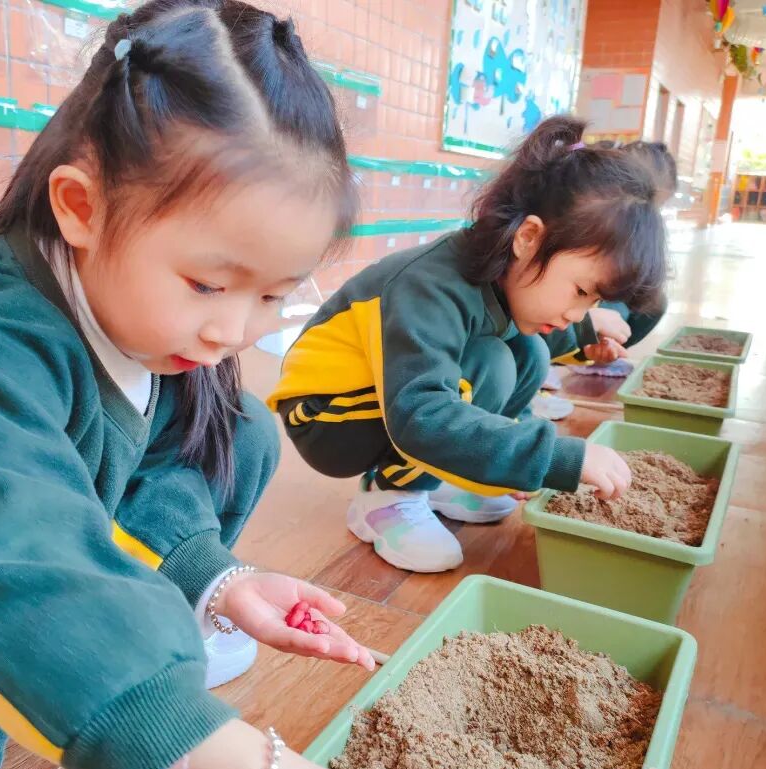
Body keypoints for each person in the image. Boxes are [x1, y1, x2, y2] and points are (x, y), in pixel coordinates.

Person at [0, 2, 408, 769]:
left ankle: (129, 647)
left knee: (237, 428)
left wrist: (214, 580)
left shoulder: (153, 323)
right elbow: (13, 545)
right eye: (208, 284)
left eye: (272, 296)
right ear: (81, 207)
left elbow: (152, 467)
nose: (232, 328)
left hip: (25, 555)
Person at [267, 116, 667, 573]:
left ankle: (437, 476)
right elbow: (420, 415)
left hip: (387, 400)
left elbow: (520, 339)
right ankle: (390, 498)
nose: (580, 310)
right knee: (492, 364)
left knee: (526, 353)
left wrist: (582, 332)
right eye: (580, 291)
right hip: (325, 414)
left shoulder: (499, 278)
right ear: (529, 238)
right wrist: (551, 456)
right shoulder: (430, 285)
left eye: (593, 299)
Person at [543, 140, 678, 367]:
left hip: (572, 319)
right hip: (542, 327)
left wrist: (591, 336)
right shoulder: (580, 218)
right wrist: (585, 323)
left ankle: (588, 352)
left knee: (651, 302)